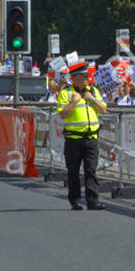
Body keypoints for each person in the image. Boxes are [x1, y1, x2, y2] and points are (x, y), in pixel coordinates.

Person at [57, 64, 107, 210]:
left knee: (91, 170)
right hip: (73, 139)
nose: (87, 79)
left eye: (87, 76)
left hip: (91, 138)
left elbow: (103, 109)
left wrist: (91, 99)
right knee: (73, 171)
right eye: (84, 76)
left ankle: (93, 201)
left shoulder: (94, 91)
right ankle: (75, 200)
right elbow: (63, 114)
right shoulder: (66, 93)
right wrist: (74, 101)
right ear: (75, 78)